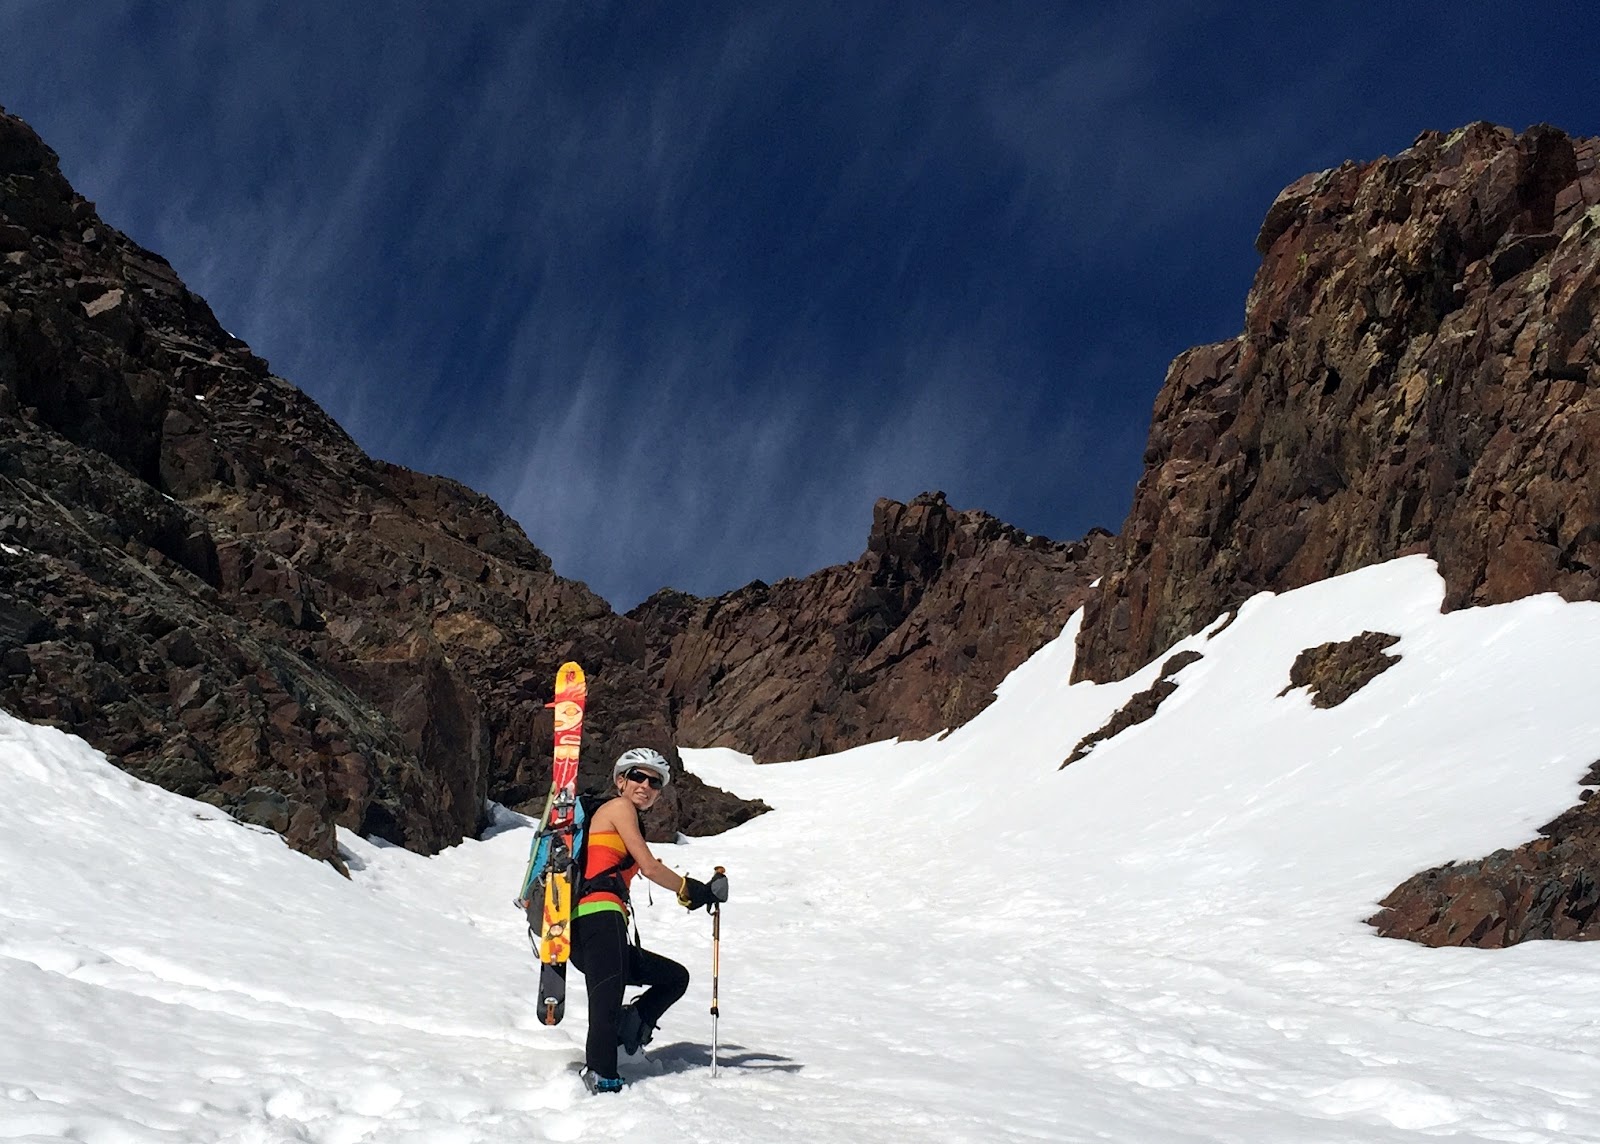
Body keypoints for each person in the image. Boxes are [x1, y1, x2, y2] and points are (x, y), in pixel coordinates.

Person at [571, 747, 720, 1094]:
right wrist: (692, 890)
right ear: (620, 780)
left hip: (605, 923)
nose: (646, 785)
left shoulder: (623, 814)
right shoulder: (619, 807)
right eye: (638, 776)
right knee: (606, 1001)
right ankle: (601, 1074)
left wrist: (697, 893)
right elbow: (650, 867)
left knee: (673, 978)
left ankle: (628, 1030)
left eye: (655, 782)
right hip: (597, 917)